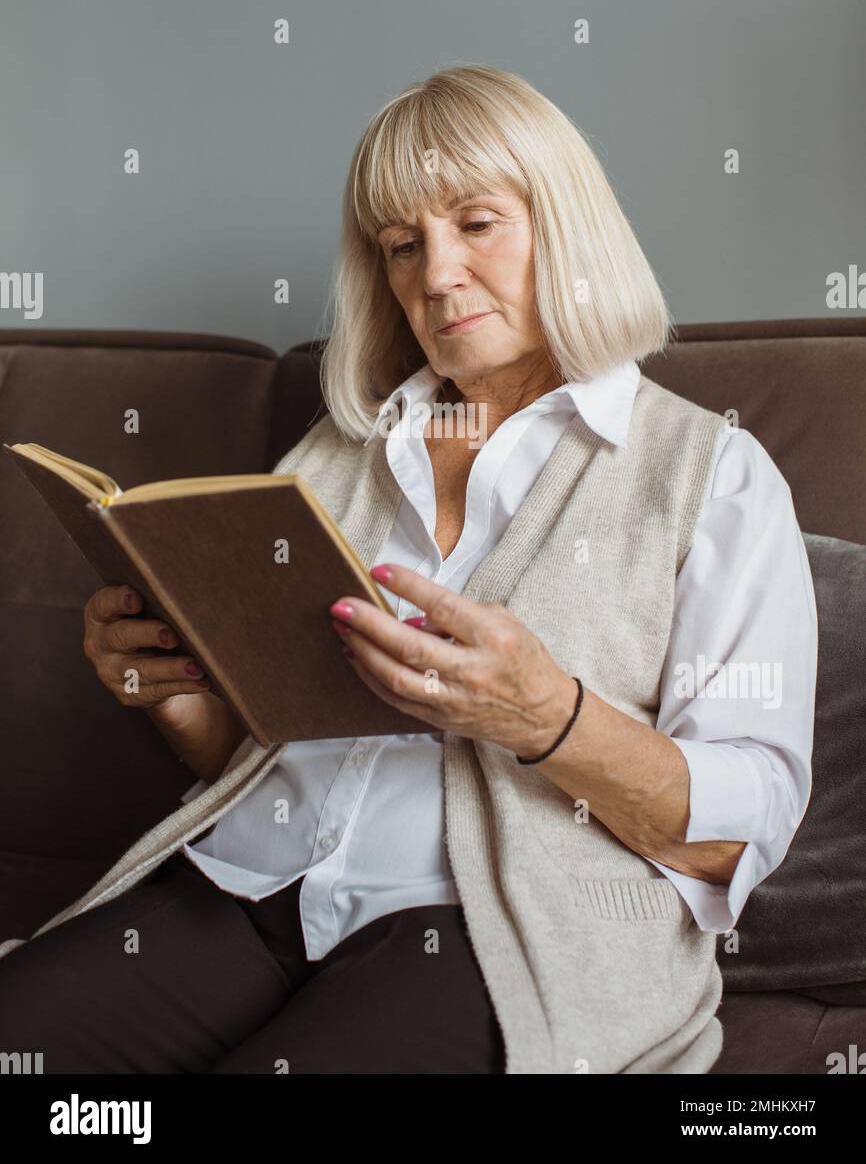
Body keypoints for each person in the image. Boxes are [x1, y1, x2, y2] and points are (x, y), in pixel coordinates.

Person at [0, 64, 817, 1074]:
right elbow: (268, 758)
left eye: (475, 222)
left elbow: (739, 832)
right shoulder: (337, 454)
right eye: (401, 244)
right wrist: (172, 696)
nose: (435, 274)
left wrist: (546, 718)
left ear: (565, 225)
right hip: (246, 887)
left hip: (488, 935)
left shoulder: (710, 473)